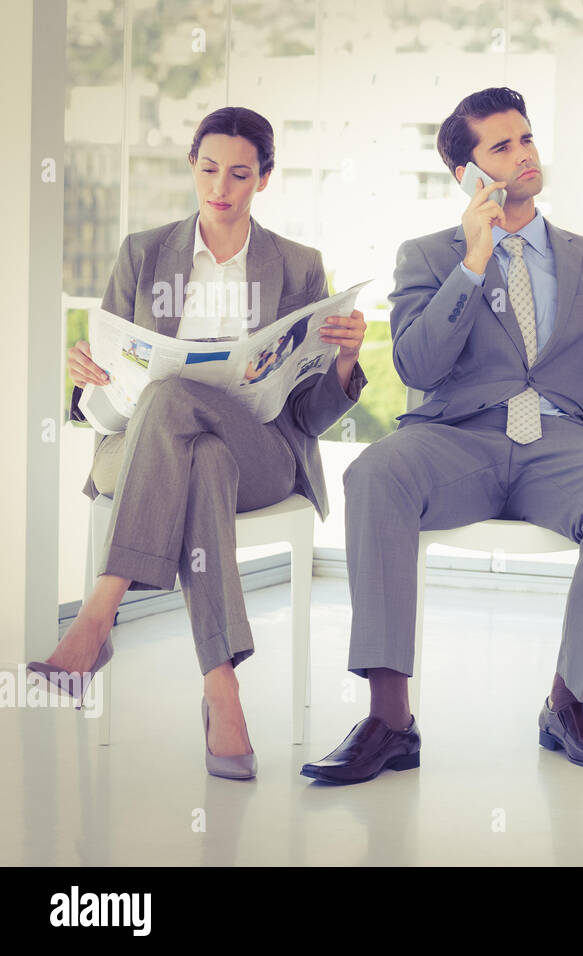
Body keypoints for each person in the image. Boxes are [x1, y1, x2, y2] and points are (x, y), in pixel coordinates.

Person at [300, 87, 583, 784]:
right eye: (501, 147)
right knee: (374, 473)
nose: (524, 155)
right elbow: (416, 365)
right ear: (466, 174)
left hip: (564, 446)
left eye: (526, 138)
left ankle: (568, 703)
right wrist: (473, 262)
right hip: (456, 439)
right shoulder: (428, 256)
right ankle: (388, 719)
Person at [28, 106, 368, 779]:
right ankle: (222, 688)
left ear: (263, 179)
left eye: (240, 174)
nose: (221, 186)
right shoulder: (142, 253)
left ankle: (98, 616)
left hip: (262, 453)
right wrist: (85, 377)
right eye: (208, 169)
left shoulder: (298, 266)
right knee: (184, 431)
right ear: (191, 166)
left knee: (182, 407)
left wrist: (346, 366)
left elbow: (308, 412)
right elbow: (108, 401)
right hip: (142, 446)